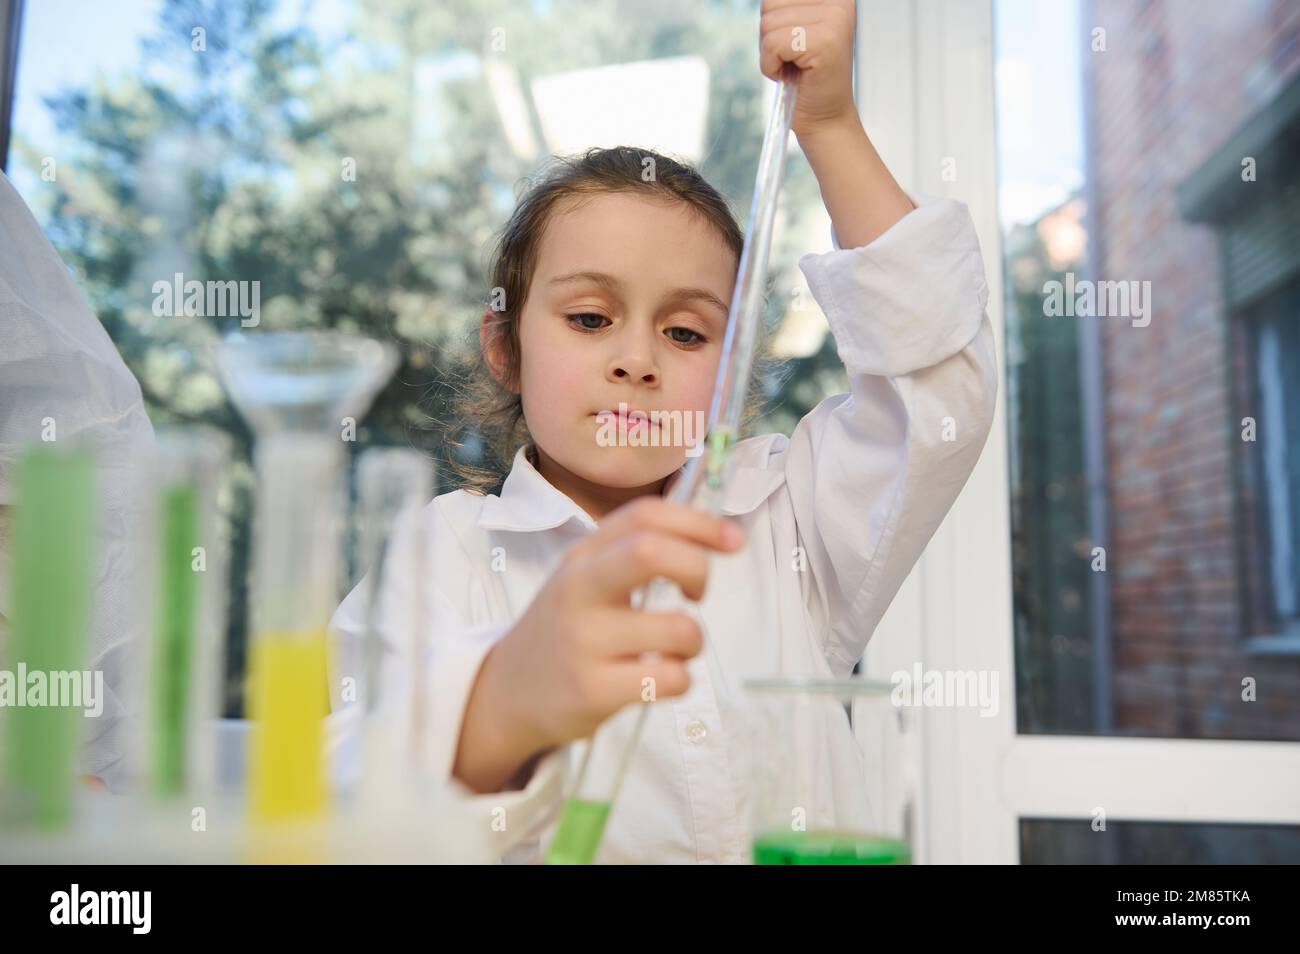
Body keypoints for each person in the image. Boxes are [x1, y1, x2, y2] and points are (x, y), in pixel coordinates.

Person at [330, 0, 998, 862]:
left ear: (732, 376)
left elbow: (940, 385)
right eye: (588, 318)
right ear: (506, 349)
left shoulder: (786, 520)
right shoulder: (445, 556)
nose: (638, 361)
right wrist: (496, 704)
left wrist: (828, 124)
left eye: (686, 333)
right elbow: (331, 797)